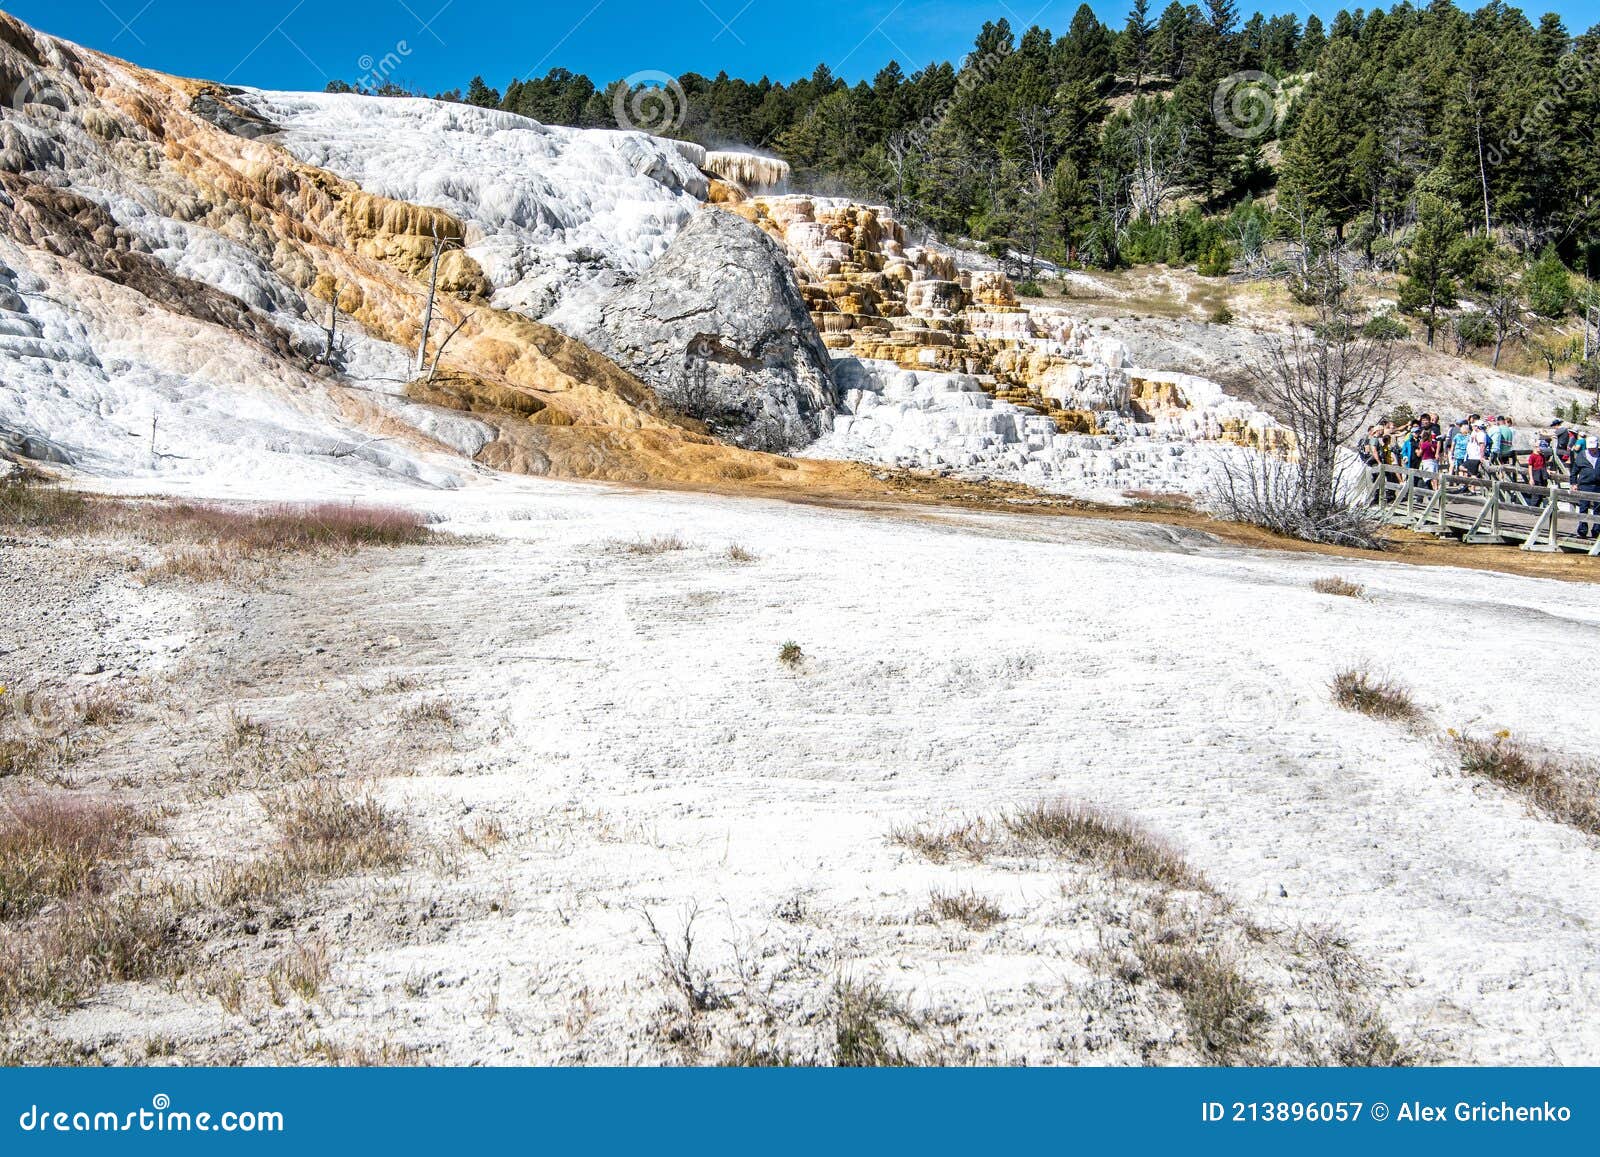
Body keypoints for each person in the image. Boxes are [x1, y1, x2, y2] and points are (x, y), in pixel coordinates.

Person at [1576, 441, 1600, 539]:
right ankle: (1582, 530)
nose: (1592, 450)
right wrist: (1573, 482)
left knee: (1598, 509)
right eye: (1590, 448)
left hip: (1598, 485)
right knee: (1583, 507)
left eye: (1594, 448)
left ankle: (1596, 531)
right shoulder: (1582, 455)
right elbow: (1575, 469)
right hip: (1585, 484)